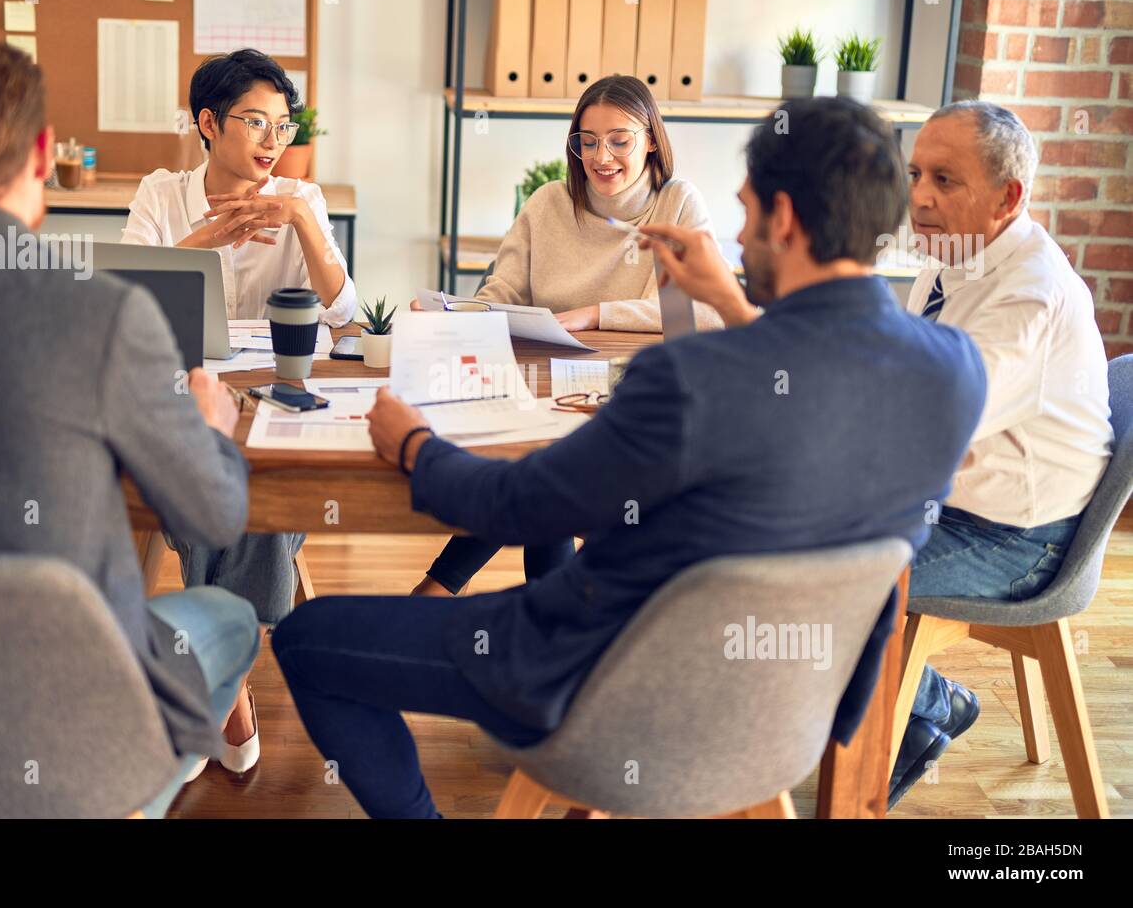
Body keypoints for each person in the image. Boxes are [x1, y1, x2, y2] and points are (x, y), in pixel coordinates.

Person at [270, 97, 987, 818]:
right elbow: (813, 394)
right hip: (777, 718)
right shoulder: (954, 371)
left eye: (745, 215)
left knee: (308, 639)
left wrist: (415, 446)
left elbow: (518, 506)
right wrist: (727, 307)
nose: (735, 239)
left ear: (786, 220)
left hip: (600, 691)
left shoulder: (692, 377)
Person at [0, 39, 262, 815]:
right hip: (69, 738)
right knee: (229, 617)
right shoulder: (103, 312)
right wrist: (207, 429)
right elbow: (214, 516)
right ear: (40, 153)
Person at [409, 74, 723, 600]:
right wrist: (454, 312)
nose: (602, 156)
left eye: (620, 140)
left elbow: (700, 313)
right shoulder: (548, 203)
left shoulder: (677, 204)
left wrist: (594, 313)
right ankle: (541, 620)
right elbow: (501, 291)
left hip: (634, 402)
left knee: (546, 468)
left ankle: (441, 591)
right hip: (548, 391)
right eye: (588, 140)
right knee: (544, 462)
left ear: (651, 139)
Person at [887, 101, 1113, 809]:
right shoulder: (953, 259)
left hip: (1017, 541)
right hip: (950, 499)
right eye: (917, 172)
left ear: (1009, 196)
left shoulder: (1028, 296)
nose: (919, 197)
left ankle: (924, 710)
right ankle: (922, 707)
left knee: (817, 572)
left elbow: (924, 424)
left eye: (945, 180)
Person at [122, 49, 344, 628]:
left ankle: (222, 662)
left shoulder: (304, 200)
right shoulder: (162, 195)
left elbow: (344, 316)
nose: (271, 140)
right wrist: (203, 240)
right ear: (209, 124)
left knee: (260, 480)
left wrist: (301, 221)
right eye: (255, 121)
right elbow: (122, 305)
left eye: (281, 125)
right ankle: (234, 662)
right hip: (184, 398)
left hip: (279, 401)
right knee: (219, 474)